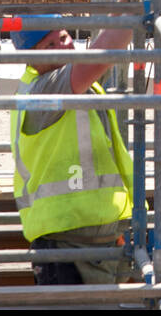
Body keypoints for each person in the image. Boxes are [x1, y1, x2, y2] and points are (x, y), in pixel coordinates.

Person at [10, 23, 135, 287]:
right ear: (32, 59)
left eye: (64, 38)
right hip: (66, 246)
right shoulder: (45, 90)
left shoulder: (83, 86)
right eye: (50, 46)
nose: (63, 47)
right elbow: (105, 51)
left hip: (102, 239)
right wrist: (129, 9)